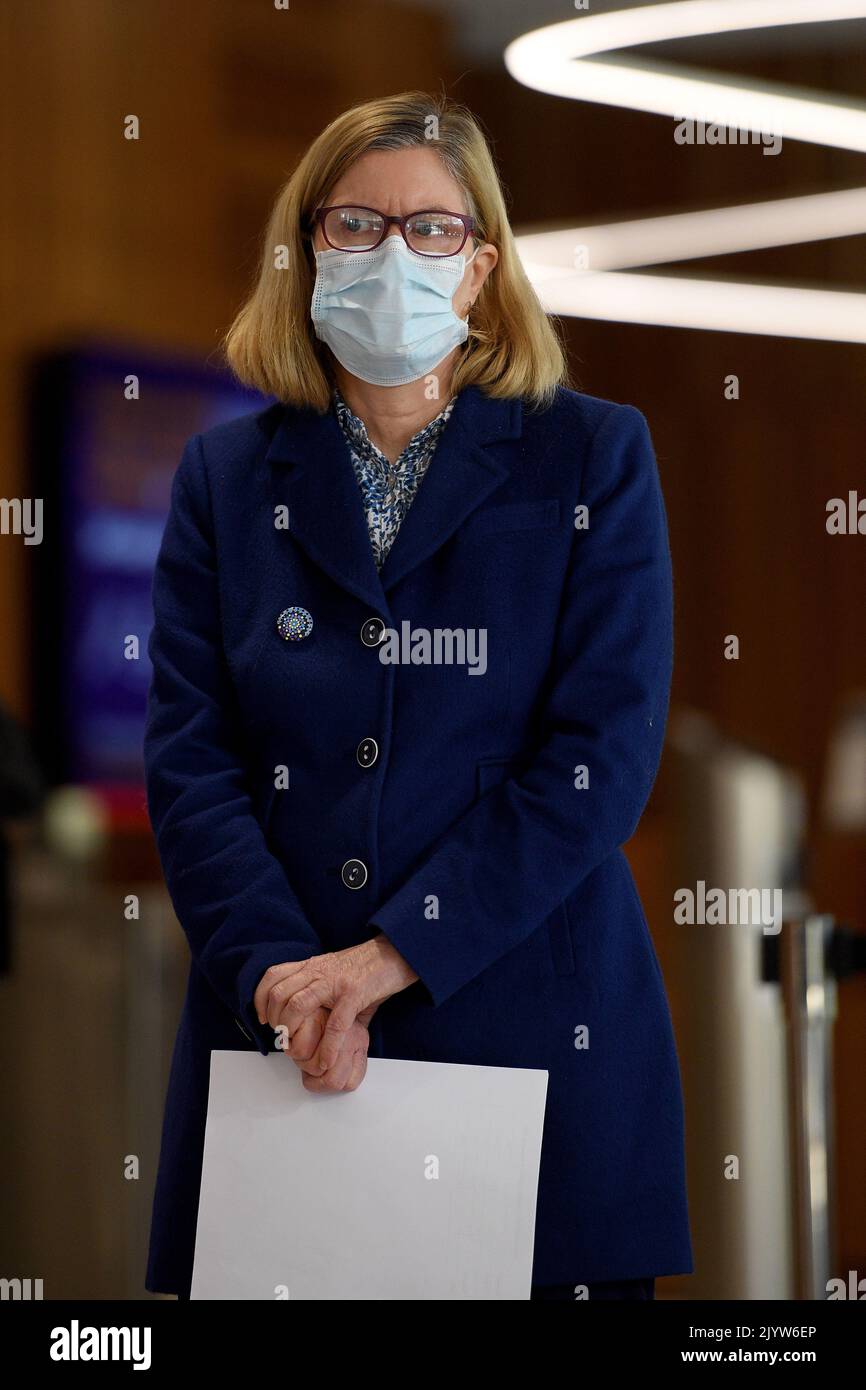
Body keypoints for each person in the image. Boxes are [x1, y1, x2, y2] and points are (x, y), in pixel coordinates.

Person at [144, 90, 692, 1301]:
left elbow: (596, 757)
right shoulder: (224, 477)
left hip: (532, 1033)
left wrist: (388, 958)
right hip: (283, 1053)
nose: (392, 255)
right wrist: (287, 977)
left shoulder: (594, 456)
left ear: (484, 267)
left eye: (432, 230)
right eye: (353, 225)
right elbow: (191, 760)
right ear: (304, 254)